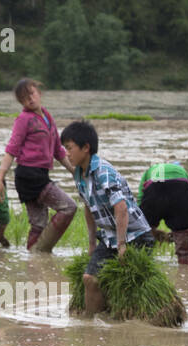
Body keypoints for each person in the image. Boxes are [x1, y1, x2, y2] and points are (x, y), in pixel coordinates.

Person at [62, 120, 155, 316]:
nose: (66, 154)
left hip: (136, 235)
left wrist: (122, 245)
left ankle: (125, 321)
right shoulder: (79, 175)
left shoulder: (104, 172)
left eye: (69, 148)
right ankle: (93, 327)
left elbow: (120, 208)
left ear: (86, 148)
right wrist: (91, 243)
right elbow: (88, 208)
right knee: (89, 278)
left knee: (127, 287)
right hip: (109, 237)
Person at [0, 78, 76, 252]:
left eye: (31, 94)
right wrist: (0, 178)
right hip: (28, 176)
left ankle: (34, 258)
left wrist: (74, 172)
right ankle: (41, 252)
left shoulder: (47, 117)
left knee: (39, 224)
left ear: (39, 93)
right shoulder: (24, 119)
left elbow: (58, 151)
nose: (29, 99)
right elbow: (11, 150)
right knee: (69, 207)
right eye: (24, 98)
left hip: (41, 174)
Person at [138, 162, 188, 265]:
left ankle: (143, 262)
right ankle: (185, 274)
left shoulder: (149, 171)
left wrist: (145, 223)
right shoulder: (182, 171)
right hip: (181, 189)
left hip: (154, 189)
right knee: (184, 237)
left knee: (145, 231)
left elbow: (141, 197)